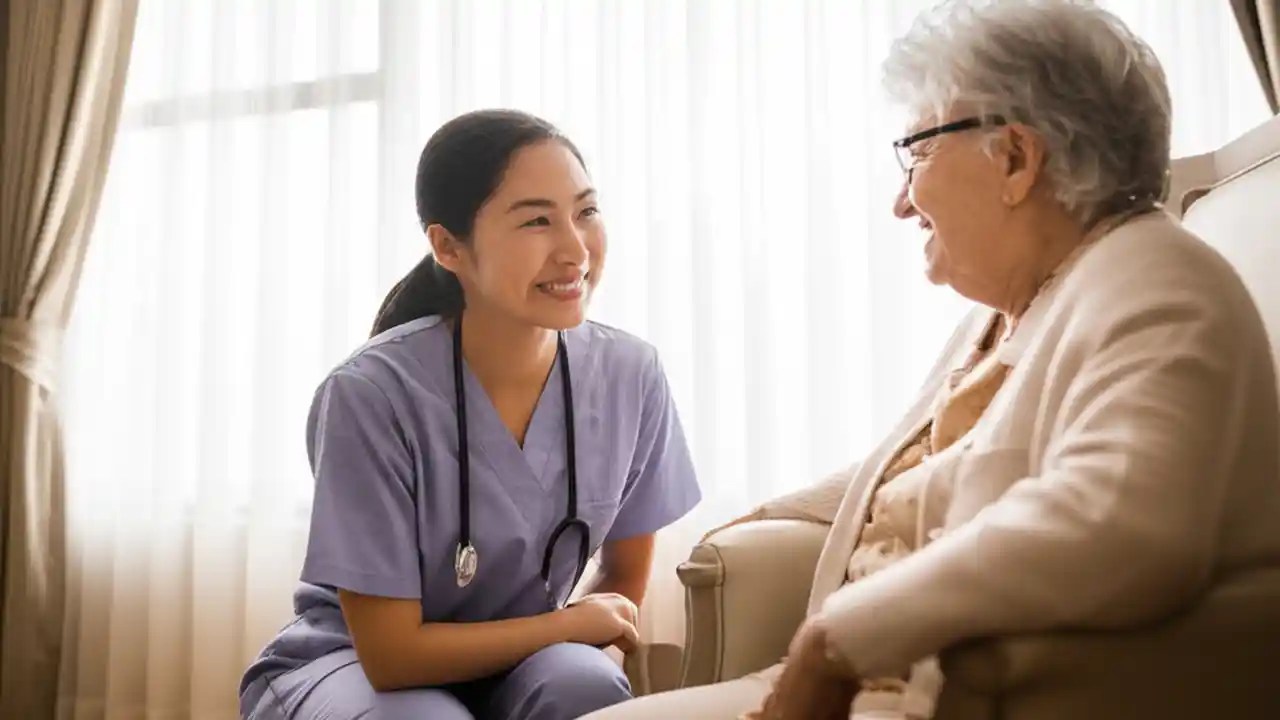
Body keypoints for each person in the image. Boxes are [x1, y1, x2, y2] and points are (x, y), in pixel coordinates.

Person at [586, 1, 1280, 719]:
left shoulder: (1158, 287)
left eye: (916, 153)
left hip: (941, 697)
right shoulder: (1013, 306)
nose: (901, 201)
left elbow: (1118, 526)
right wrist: (755, 516)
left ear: (1015, 158)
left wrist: (837, 641)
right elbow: (916, 464)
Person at [238, 109, 701, 720]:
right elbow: (391, 656)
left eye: (585, 212)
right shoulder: (371, 395)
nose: (574, 249)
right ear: (449, 246)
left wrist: (564, 635)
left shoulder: (630, 374)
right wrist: (561, 627)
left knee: (584, 687)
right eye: (537, 220)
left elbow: (618, 588)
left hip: (525, 661)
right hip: (353, 665)